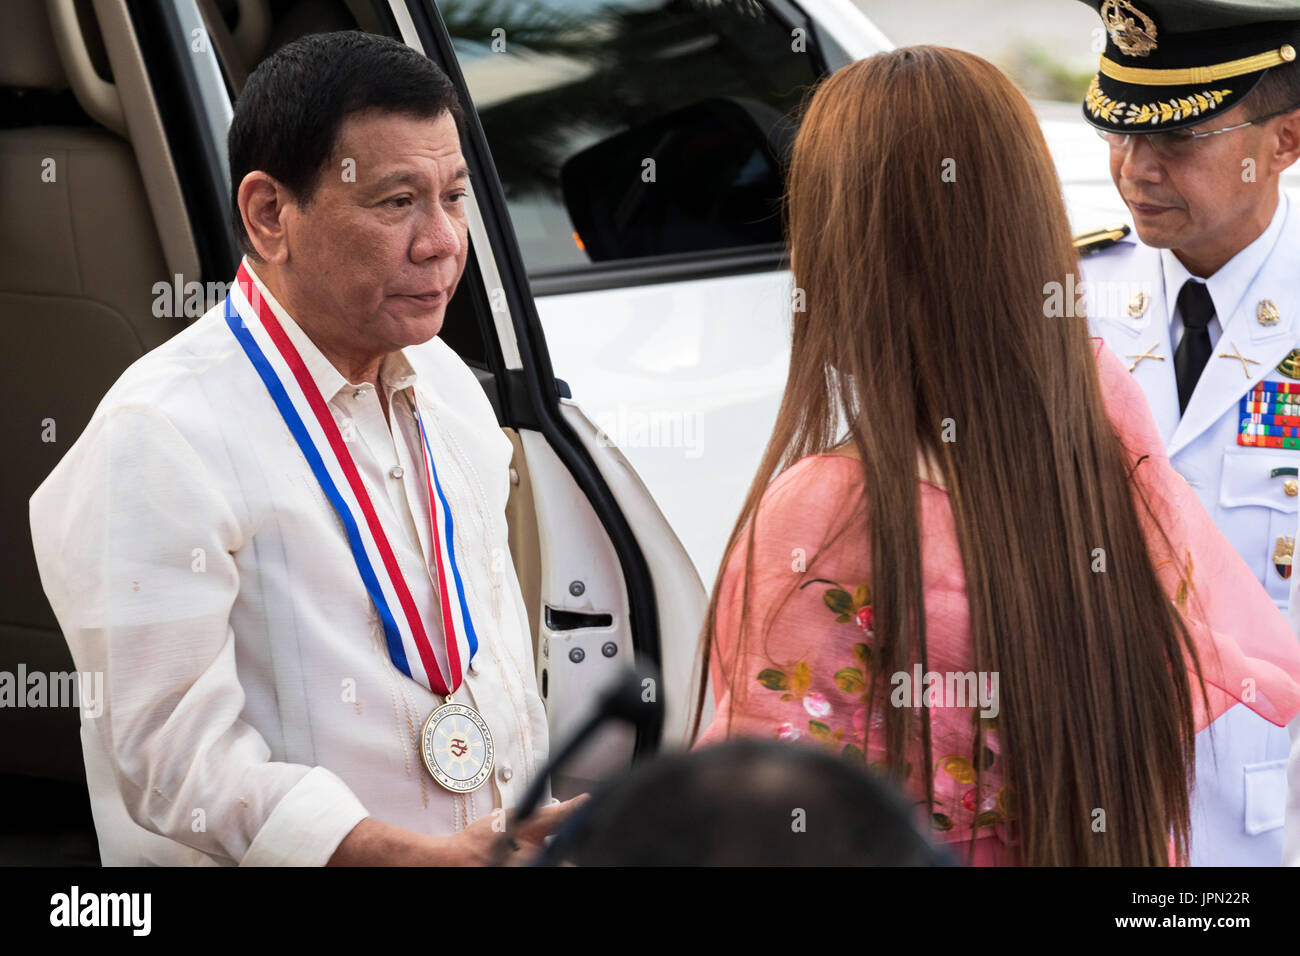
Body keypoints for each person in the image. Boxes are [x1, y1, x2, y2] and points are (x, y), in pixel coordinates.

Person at [690, 45, 1300, 866]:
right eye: (1117, 138)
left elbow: (758, 827)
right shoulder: (1102, 399)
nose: (1137, 168)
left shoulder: (823, 509)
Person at [27, 31, 581, 866]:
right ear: (269, 214)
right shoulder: (161, 431)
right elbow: (172, 755)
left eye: (455, 196)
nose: (441, 241)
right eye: (397, 202)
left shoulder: (448, 388)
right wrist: (390, 852)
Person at [1074, 0, 1300, 865]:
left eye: (1178, 140)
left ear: (1282, 143)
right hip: (1088, 793)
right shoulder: (1065, 300)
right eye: (1120, 134)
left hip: (1266, 813)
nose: (1136, 169)